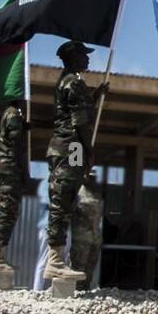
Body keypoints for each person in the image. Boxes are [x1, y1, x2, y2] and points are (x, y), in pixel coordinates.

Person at [45, 41, 106, 283]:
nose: (88, 59)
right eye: (84, 55)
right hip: (72, 147)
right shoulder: (74, 82)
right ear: (74, 57)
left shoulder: (70, 81)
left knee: (68, 200)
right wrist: (88, 152)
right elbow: (79, 123)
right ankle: (56, 262)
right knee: (63, 202)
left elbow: (78, 112)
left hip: (72, 148)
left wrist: (95, 96)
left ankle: (61, 261)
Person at [0, 99, 28, 281]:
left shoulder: (11, 113)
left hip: (5, 168)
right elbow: (16, 141)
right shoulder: (13, 114)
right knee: (6, 213)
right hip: (9, 168)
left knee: (7, 213)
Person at [67, 169, 103, 289]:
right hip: (81, 237)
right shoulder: (78, 192)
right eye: (90, 177)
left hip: (95, 237)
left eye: (94, 177)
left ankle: (85, 289)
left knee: (90, 267)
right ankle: (74, 290)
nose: (92, 179)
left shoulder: (97, 193)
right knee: (77, 267)